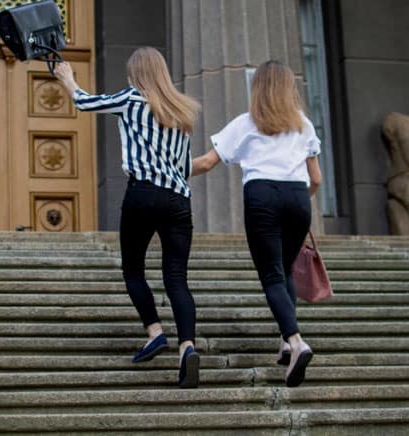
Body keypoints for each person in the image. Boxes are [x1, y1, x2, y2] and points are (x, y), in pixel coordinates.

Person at [54, 47, 202, 388]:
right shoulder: (181, 113)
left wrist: (68, 79)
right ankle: (187, 349)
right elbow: (183, 168)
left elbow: (85, 103)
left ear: (136, 73)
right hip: (179, 199)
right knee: (177, 278)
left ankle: (154, 331)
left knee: (133, 269)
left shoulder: (131, 99)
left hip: (143, 193)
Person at [191, 60, 322, 387]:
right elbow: (316, 178)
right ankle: (285, 340)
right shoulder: (303, 125)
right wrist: (299, 200)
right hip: (298, 197)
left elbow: (207, 163)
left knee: (272, 274)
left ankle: (295, 342)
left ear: (258, 89)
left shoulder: (246, 123)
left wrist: (166, 169)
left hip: (262, 196)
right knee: (286, 268)